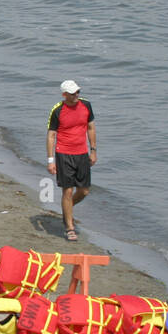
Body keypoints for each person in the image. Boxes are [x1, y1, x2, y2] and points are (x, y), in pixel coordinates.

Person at [47, 79, 96, 242]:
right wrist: (50, 160)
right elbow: (51, 135)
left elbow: (91, 128)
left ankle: (67, 209)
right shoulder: (57, 110)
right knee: (67, 191)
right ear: (64, 95)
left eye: (78, 92)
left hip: (82, 153)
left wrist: (93, 150)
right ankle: (69, 227)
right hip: (64, 154)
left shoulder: (86, 105)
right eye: (73, 93)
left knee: (84, 191)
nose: (77, 95)